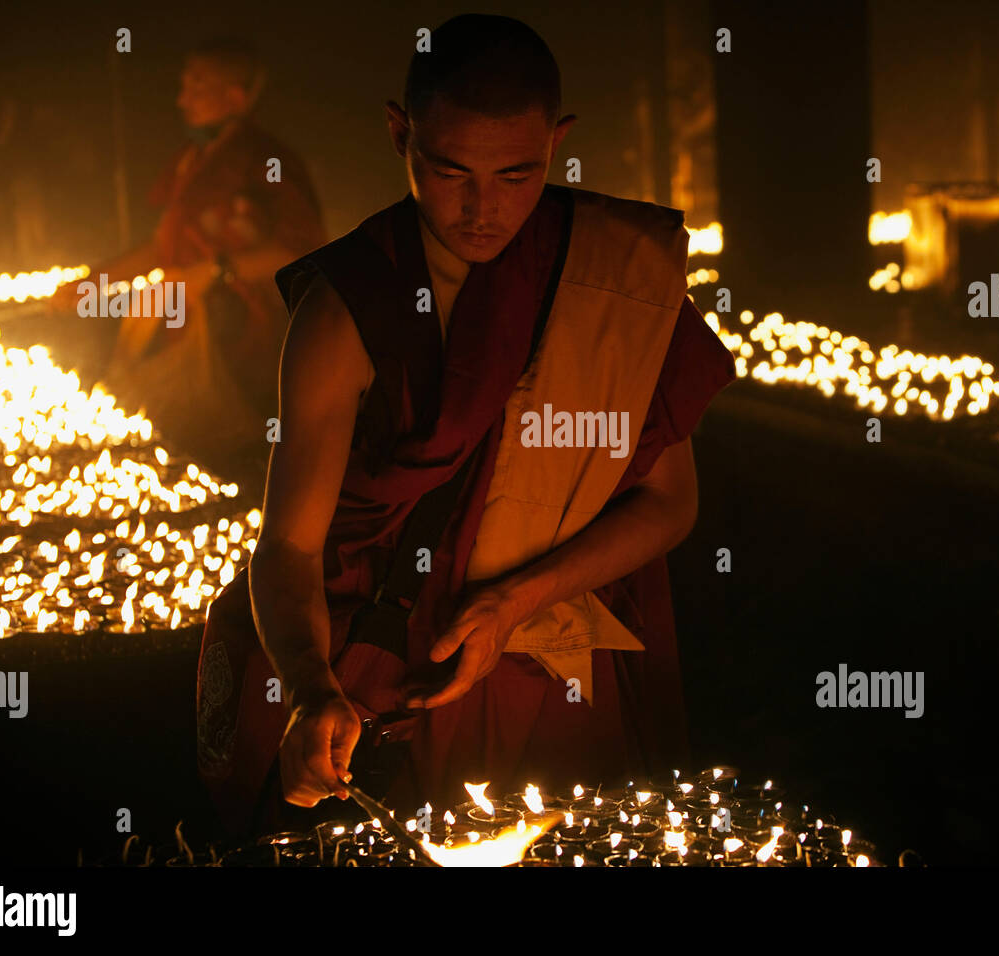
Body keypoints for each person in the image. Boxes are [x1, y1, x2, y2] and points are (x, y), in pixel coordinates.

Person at [195, 13, 736, 837]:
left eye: (517, 174)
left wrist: (513, 602)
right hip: (383, 656)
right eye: (449, 172)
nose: (483, 210)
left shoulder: (612, 281)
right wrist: (311, 691)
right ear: (398, 133)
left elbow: (671, 503)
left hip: (551, 647)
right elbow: (292, 546)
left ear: (558, 142)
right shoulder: (348, 308)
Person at [54, 38, 326, 468]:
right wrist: (95, 280)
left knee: (249, 458)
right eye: (183, 86)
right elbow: (164, 246)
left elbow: (302, 250)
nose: (182, 100)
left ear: (234, 96)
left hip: (251, 343)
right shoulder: (193, 161)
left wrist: (215, 271)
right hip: (186, 333)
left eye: (196, 87)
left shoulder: (267, 160)